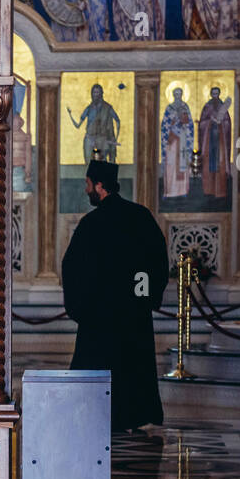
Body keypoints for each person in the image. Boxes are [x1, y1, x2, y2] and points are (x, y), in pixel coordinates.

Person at [62, 159, 169, 432]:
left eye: (88, 185)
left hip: (99, 318)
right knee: (133, 369)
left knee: (98, 368)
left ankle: (97, 419)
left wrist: (81, 307)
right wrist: (144, 298)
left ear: (99, 186)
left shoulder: (91, 224)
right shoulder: (140, 216)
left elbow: (73, 268)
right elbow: (157, 262)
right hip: (134, 316)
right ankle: (133, 416)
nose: (87, 191)